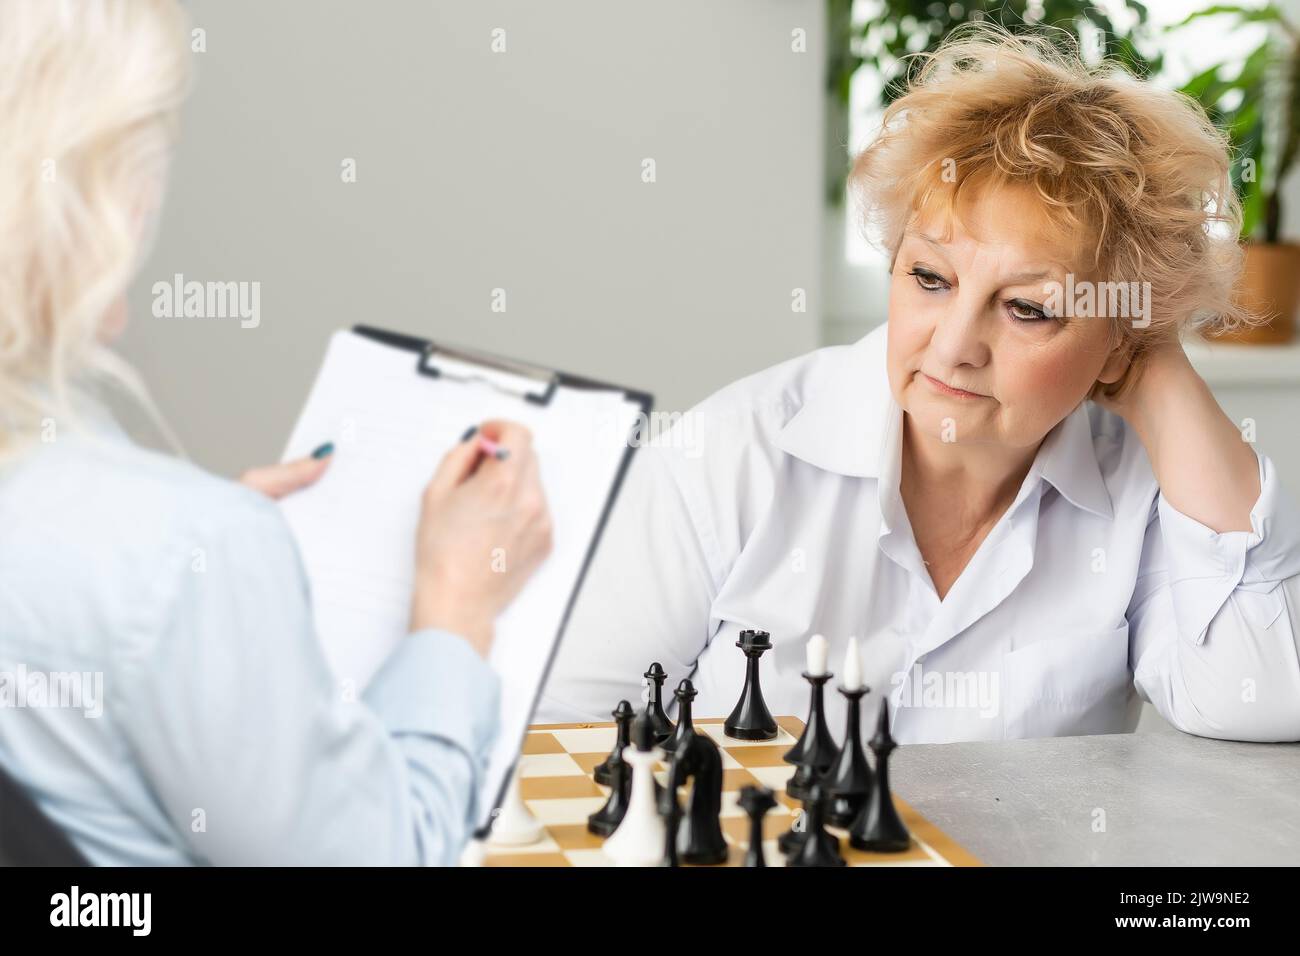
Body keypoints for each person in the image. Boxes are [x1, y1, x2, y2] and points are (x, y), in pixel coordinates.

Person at [541, 27, 1300, 744]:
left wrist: (1158, 368)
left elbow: (1261, 695)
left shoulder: (1143, 490)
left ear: (1119, 341)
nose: (954, 345)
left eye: (1029, 308)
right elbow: (563, 732)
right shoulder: (732, 456)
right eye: (930, 277)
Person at [0, 0, 551, 864]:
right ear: (91, 192)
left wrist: (187, 564)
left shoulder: (158, 547)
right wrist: (456, 613)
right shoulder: (175, 552)